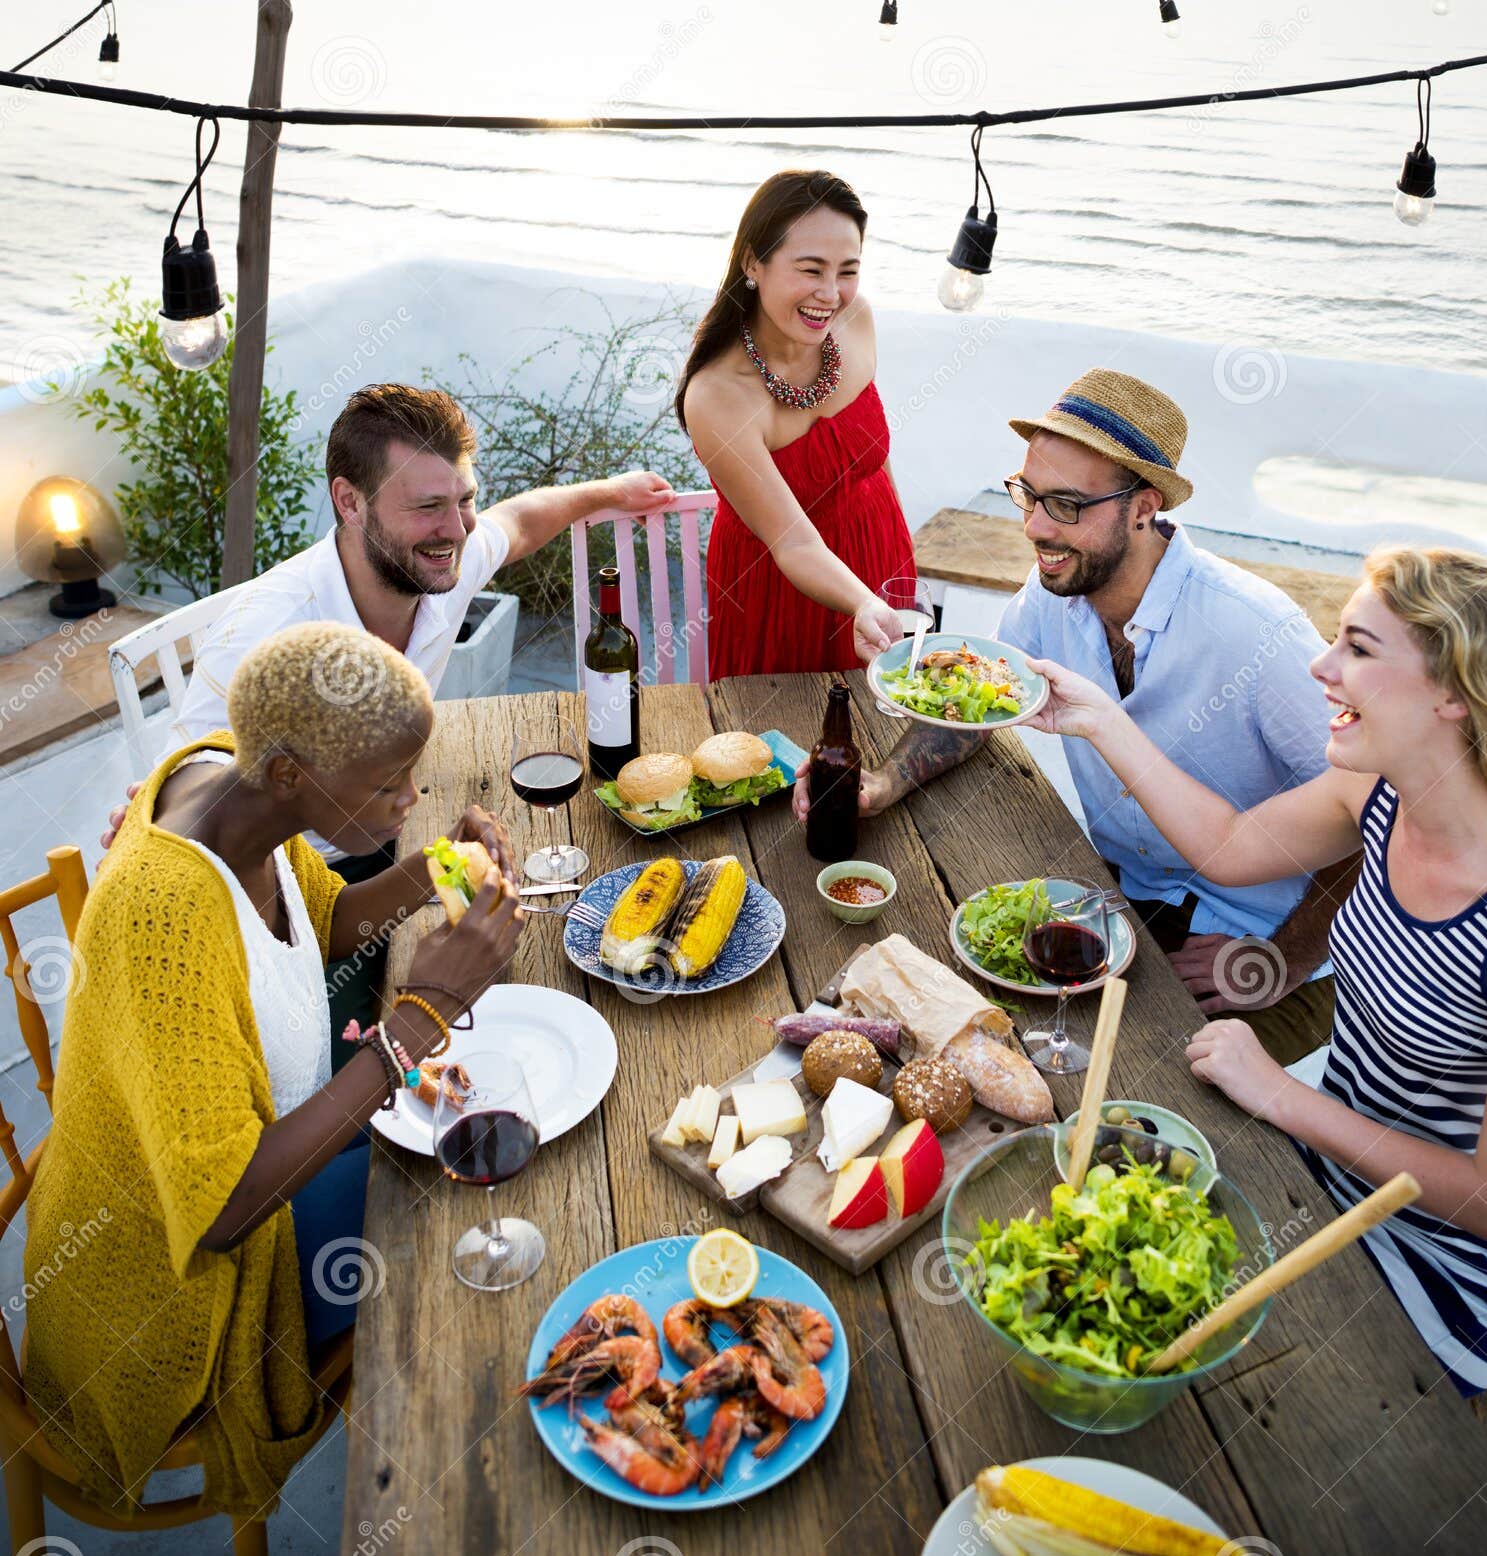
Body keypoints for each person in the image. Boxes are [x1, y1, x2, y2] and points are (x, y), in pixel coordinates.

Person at [1027, 545, 1487, 1395]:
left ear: (1456, 692)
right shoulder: (1379, 797)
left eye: (1359, 650)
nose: (1320, 667)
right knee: (1071, 1262)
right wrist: (1101, 721)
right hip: (1320, 1177)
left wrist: (1281, 1095)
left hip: (1438, 1272)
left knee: (1161, 1376)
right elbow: (1226, 847)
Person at [25, 622, 527, 1517]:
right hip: (183, 1287)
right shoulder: (161, 918)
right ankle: (460, 1505)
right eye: (386, 786)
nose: (408, 798)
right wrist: (413, 1025)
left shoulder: (228, 774)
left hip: (256, 1183)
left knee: (470, 1145)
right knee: (453, 1208)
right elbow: (221, 1211)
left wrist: (436, 868)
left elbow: (315, 926)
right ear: (292, 774)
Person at [796, 368, 1357, 1065]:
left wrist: (1284, 958)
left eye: (1064, 504)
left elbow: (1375, 814)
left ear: (1143, 507)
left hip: (1271, 945)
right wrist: (885, 782)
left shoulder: (1256, 633)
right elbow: (982, 706)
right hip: (1119, 903)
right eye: (1028, 494)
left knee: (1148, 1097)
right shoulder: (1050, 592)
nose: (1033, 527)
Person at [102, 382, 677, 861]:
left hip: (403, 827)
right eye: (428, 507)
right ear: (350, 503)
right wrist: (162, 814)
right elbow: (190, 777)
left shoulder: (435, 558)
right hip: (301, 884)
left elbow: (520, 522)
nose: (456, 529)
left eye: (464, 499)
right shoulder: (269, 629)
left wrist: (612, 491)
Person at [676, 169, 912, 679]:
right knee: (792, 746)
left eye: (847, 271)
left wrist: (902, 556)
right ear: (753, 264)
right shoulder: (717, 395)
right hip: (782, 589)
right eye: (811, 270)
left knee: (893, 727)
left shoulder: (857, 322)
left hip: (880, 550)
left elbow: (873, 450)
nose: (830, 294)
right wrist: (863, 602)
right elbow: (794, 543)